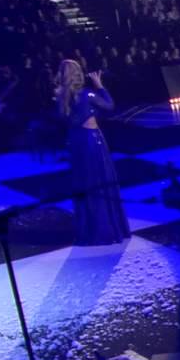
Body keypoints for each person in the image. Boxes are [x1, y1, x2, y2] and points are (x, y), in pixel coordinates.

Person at [55, 59, 130, 245]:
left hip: (75, 142)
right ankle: (106, 229)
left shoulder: (60, 96)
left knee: (83, 182)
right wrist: (100, 85)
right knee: (99, 181)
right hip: (90, 141)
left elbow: (64, 120)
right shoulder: (87, 94)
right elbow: (109, 106)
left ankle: (90, 227)